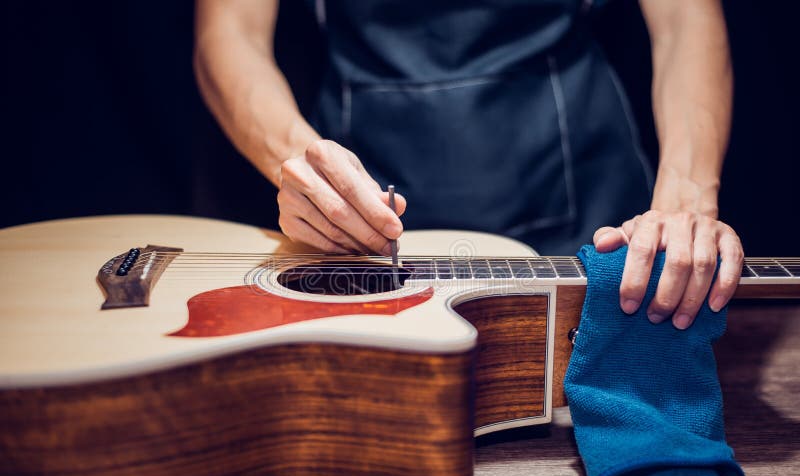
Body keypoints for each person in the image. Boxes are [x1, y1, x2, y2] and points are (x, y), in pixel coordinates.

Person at [193, 0, 743, 330]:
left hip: (585, 209)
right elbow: (230, 30)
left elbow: (685, 18)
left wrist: (686, 203)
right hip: (362, 236)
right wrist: (299, 163)